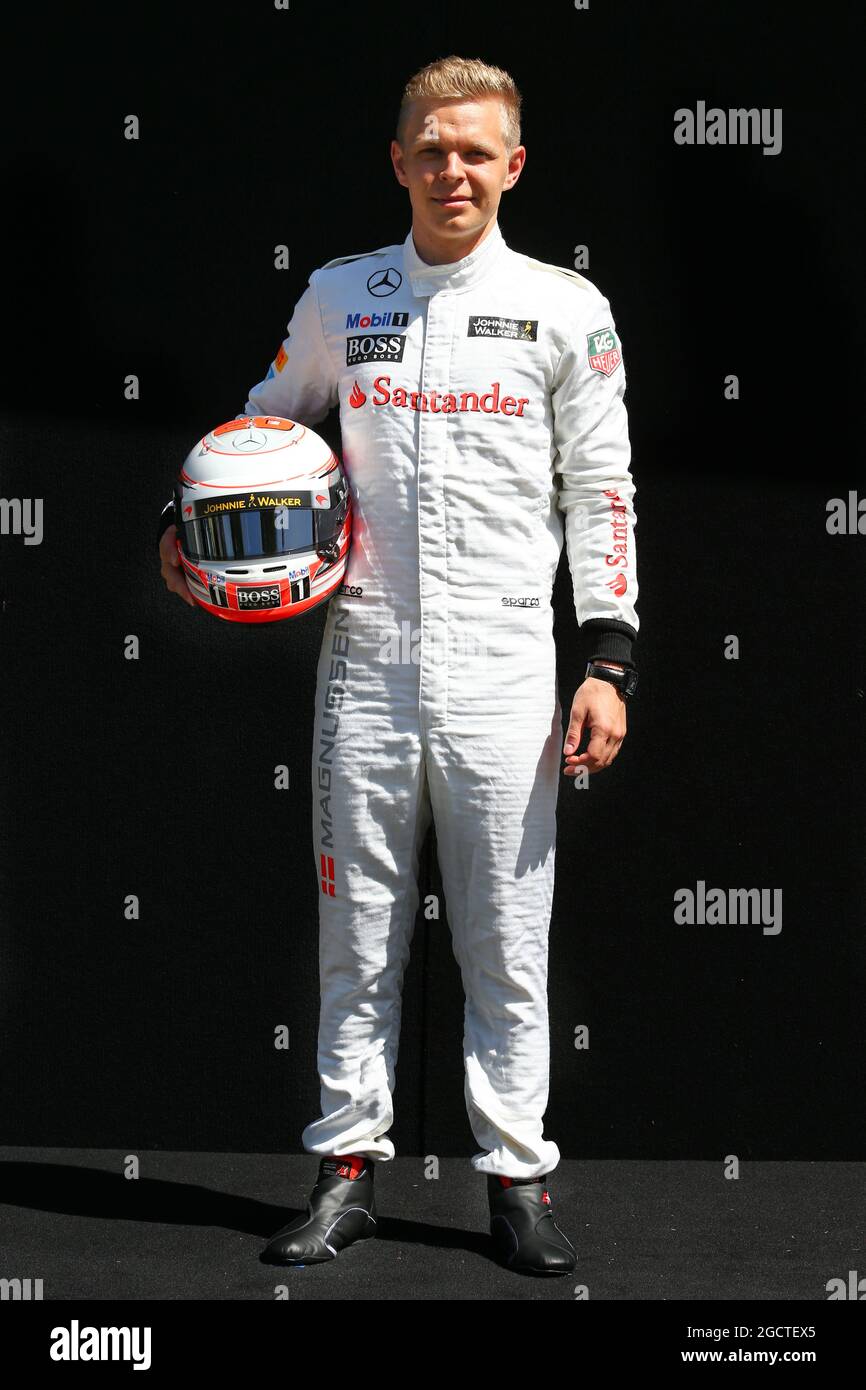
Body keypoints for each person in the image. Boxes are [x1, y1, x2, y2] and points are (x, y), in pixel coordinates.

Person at [158, 54, 639, 1278]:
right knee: (355, 927)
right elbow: (262, 427)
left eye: (474, 149)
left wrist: (608, 660)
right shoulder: (338, 296)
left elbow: (602, 492)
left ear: (512, 164)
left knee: (504, 934)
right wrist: (187, 525)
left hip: (504, 663)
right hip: (364, 655)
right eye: (429, 147)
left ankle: (515, 1180)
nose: (451, 169)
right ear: (396, 160)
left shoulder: (562, 307)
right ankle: (344, 1171)